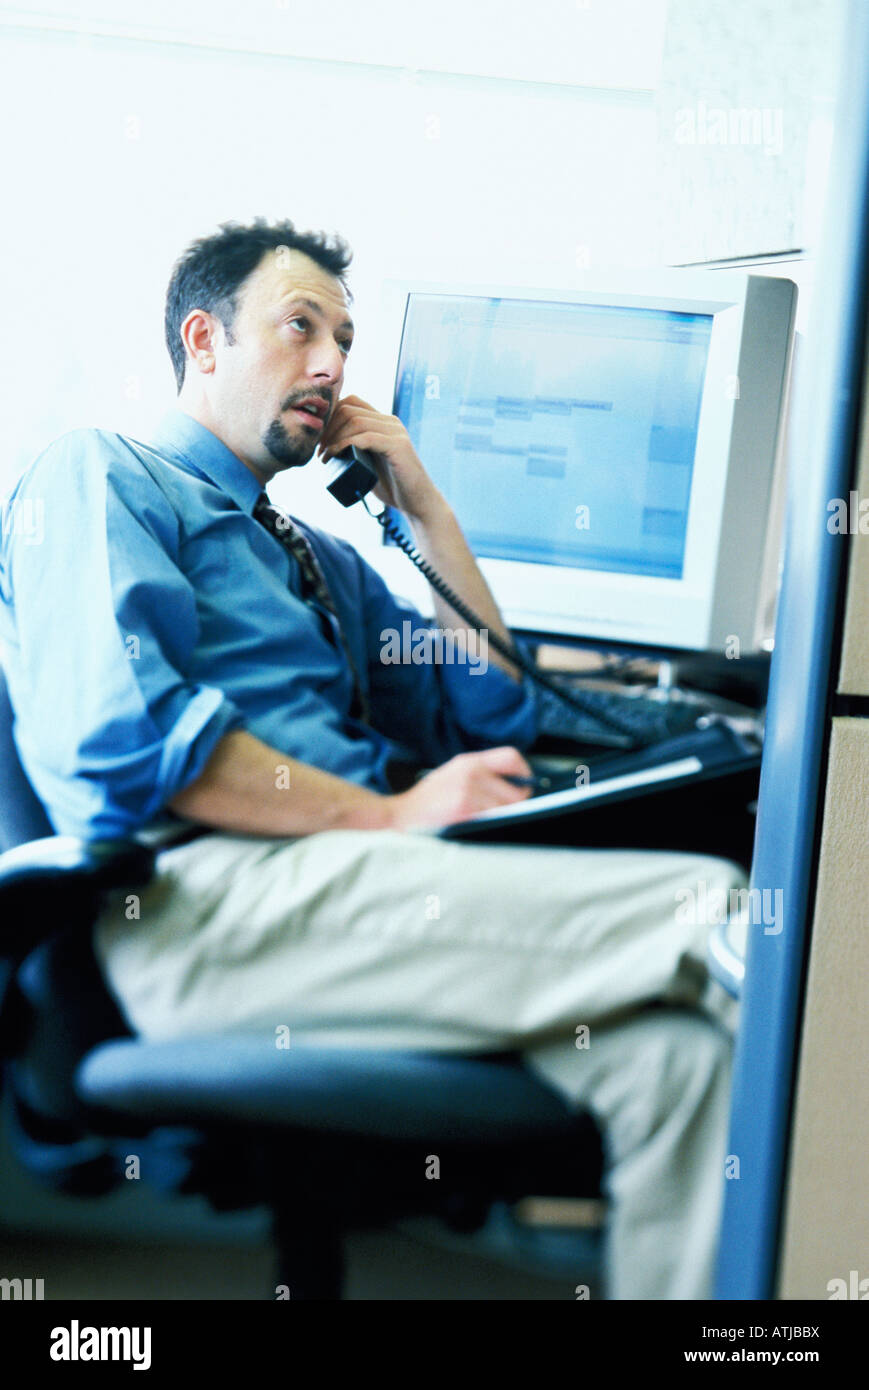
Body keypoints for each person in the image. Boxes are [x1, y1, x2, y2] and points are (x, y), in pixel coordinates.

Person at [0, 218, 745, 1300]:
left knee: (681, 1068)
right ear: (203, 341)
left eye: (342, 340)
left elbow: (490, 714)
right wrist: (392, 816)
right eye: (298, 328)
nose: (330, 364)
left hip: (344, 899)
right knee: (714, 911)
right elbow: (128, 752)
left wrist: (423, 504)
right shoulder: (102, 477)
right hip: (208, 908)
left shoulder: (313, 558)